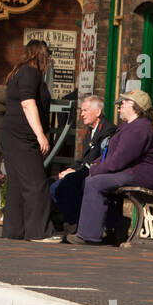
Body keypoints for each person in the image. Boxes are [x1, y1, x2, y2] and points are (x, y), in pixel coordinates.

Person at [72, 89, 153, 245]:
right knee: (93, 179)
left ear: (135, 106)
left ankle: (89, 235)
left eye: (123, 103)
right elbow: (112, 155)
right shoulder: (128, 126)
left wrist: (95, 169)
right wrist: (96, 165)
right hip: (131, 171)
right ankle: (106, 230)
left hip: (142, 175)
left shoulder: (139, 128)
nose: (119, 107)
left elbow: (118, 160)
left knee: (95, 182)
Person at [1, 39, 61, 242]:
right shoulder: (30, 73)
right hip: (22, 136)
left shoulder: (20, 72)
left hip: (12, 135)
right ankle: (39, 232)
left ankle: (14, 231)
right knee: (37, 183)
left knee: (17, 185)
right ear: (41, 55)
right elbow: (28, 103)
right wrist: (40, 134)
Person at [49, 94, 117, 234]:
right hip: (86, 170)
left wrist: (73, 172)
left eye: (85, 110)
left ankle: (73, 223)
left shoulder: (107, 130)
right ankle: (63, 221)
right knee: (51, 183)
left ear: (97, 112)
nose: (82, 114)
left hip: (97, 172)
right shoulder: (90, 130)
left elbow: (96, 158)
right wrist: (70, 168)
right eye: (82, 110)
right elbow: (84, 159)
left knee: (65, 184)